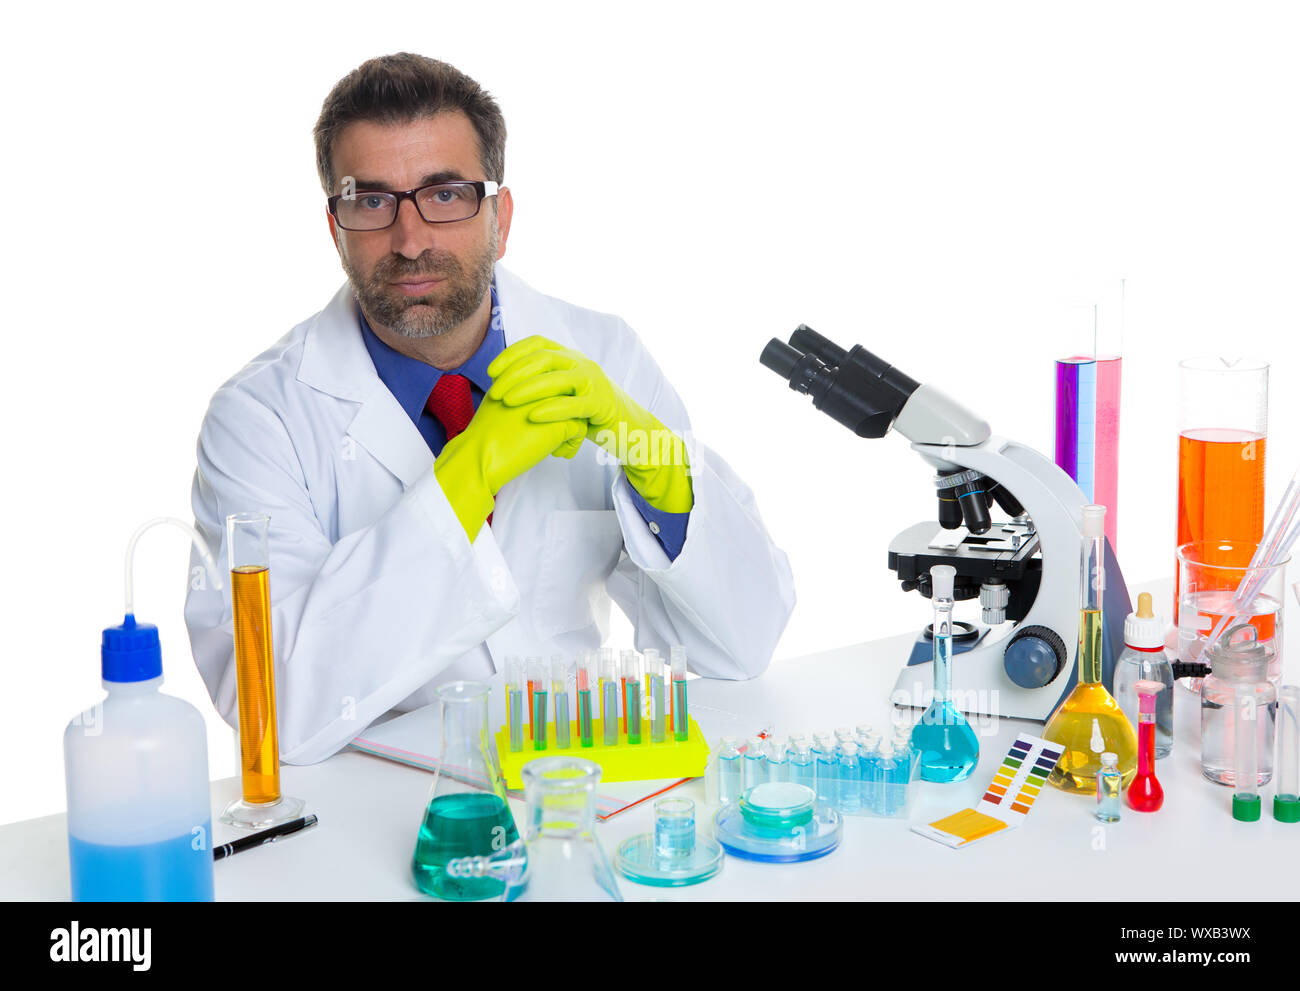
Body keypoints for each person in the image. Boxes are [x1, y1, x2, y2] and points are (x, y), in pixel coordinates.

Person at [184, 53, 795, 764]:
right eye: (372, 200)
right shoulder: (259, 419)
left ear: (500, 219)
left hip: (582, 785)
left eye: (445, 194)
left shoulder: (603, 355)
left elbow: (743, 643)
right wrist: (462, 481)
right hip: (377, 815)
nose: (410, 240)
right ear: (336, 227)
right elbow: (271, 708)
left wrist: (666, 482)